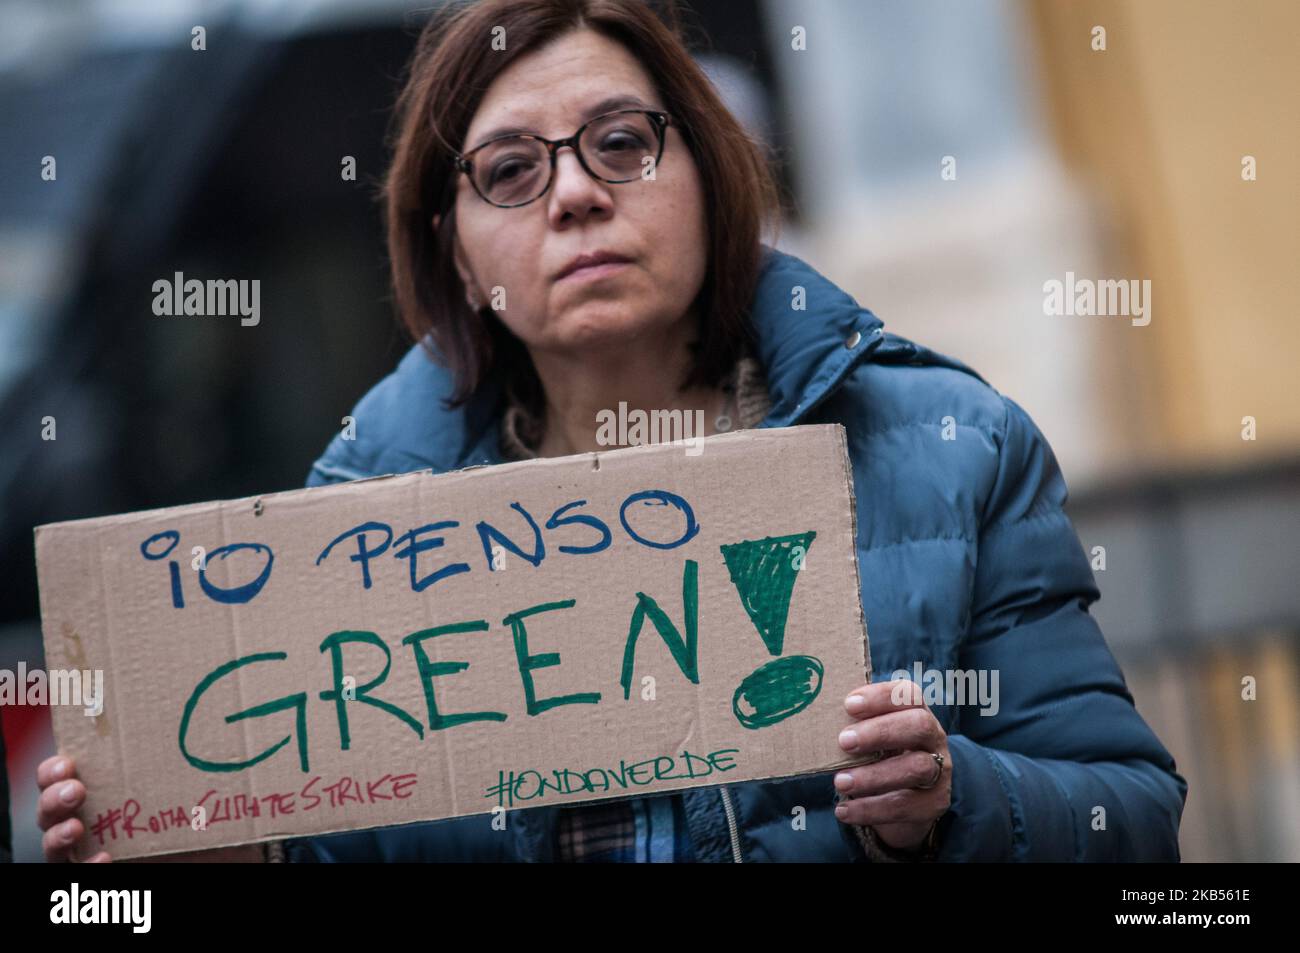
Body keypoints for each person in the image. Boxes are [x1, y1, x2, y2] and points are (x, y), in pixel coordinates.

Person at [38, 0, 1186, 863]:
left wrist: (951, 801)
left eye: (623, 143)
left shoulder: (950, 446)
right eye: (509, 171)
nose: (576, 194)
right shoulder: (351, 521)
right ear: (451, 245)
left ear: (709, 171)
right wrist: (195, 858)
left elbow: (1132, 817)